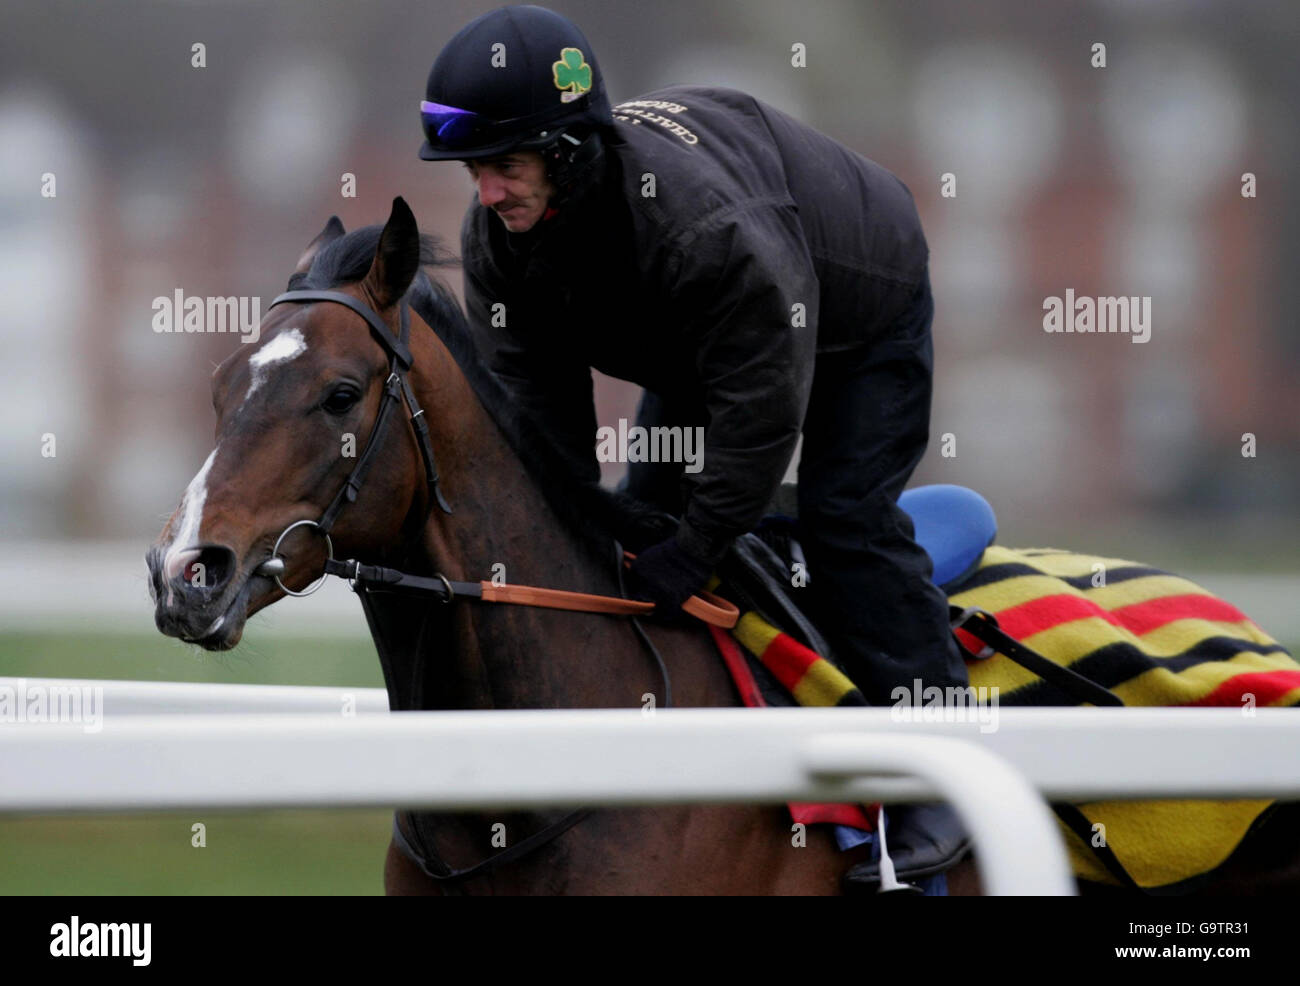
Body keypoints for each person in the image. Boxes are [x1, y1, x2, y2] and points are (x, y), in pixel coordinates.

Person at [418, 4, 968, 705]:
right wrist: (567, 533)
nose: (487, 193)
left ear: (568, 149)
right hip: (707, 334)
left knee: (845, 524)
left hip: (860, 308)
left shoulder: (706, 234)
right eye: (472, 170)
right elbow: (535, 405)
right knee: (636, 522)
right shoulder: (498, 237)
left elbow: (760, 413)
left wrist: (698, 548)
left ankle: (942, 762)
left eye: (504, 166)